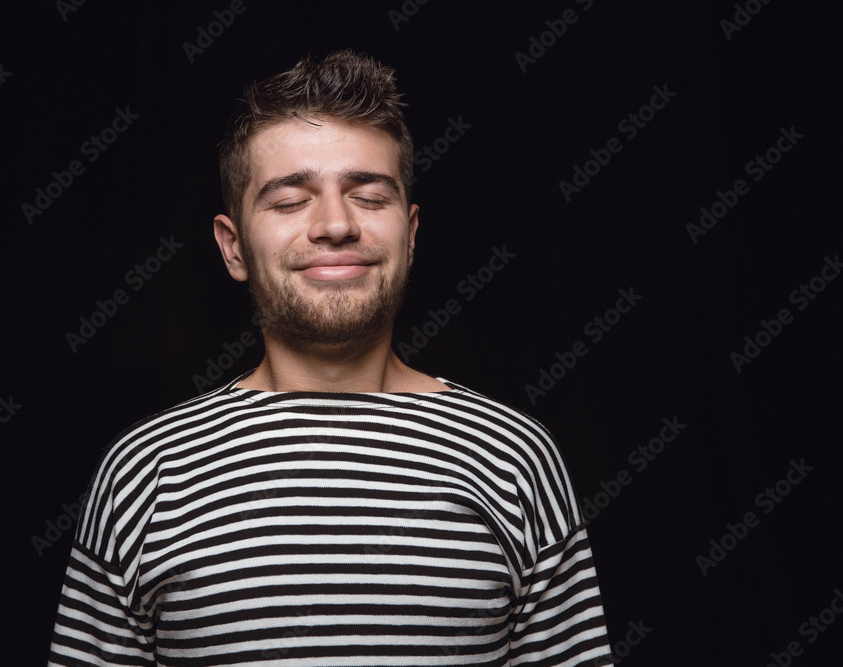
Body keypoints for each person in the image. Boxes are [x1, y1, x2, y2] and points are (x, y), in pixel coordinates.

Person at [48, 50, 613, 666]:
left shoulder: (515, 459)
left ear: (412, 233)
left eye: (369, 196)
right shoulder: (146, 473)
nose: (336, 224)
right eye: (290, 201)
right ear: (233, 247)